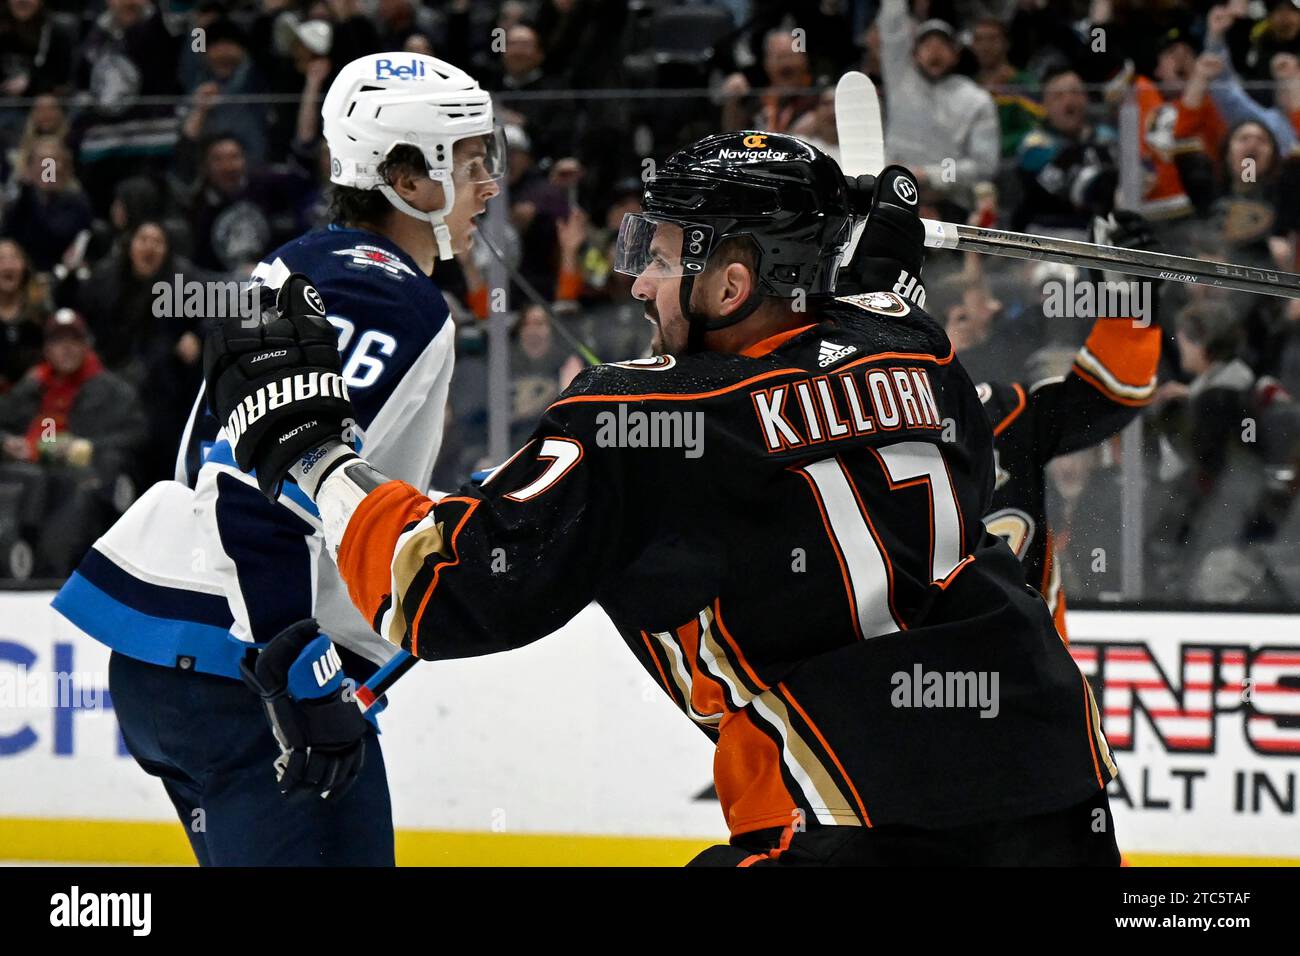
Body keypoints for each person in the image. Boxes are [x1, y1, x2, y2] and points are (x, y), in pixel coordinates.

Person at [203, 134, 1120, 866]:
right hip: (1059, 790)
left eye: (662, 254)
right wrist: (866, 262)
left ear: (732, 282)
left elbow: (444, 593)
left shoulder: (644, 421)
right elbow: (868, 318)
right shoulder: (914, 344)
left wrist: (315, 459)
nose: (637, 279)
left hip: (850, 818)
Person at [52, 53, 504, 867]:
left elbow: (310, 466)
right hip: (246, 667)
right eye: (471, 163)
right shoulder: (385, 290)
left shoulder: (310, 259)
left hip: (185, 662)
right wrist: (297, 665)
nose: (491, 185)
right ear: (405, 175)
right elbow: (271, 471)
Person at [0, 309, 145, 575]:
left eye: (73, 341)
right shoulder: (33, 384)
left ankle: (53, 568)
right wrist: (7, 442)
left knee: (78, 490)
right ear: (46, 348)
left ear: (85, 345)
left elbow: (135, 435)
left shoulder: (113, 390)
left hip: (77, 475)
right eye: (57, 342)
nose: (66, 349)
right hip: (31, 473)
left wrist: (87, 447)